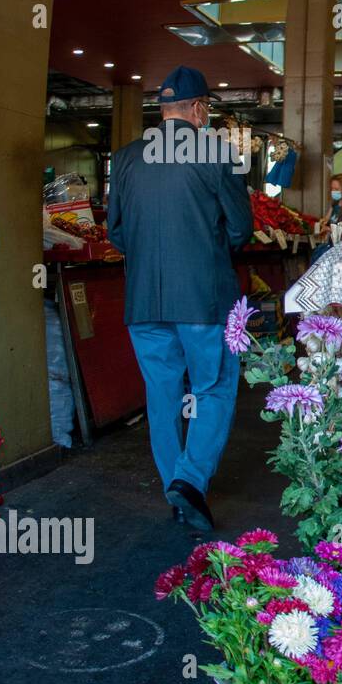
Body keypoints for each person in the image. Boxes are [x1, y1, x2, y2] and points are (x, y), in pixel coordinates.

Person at [107, 66, 252, 531]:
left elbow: (117, 231)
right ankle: (190, 480)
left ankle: (176, 490)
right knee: (213, 387)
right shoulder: (217, 153)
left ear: (163, 109)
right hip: (205, 300)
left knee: (162, 395)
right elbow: (240, 228)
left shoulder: (126, 157)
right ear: (198, 109)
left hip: (144, 300)